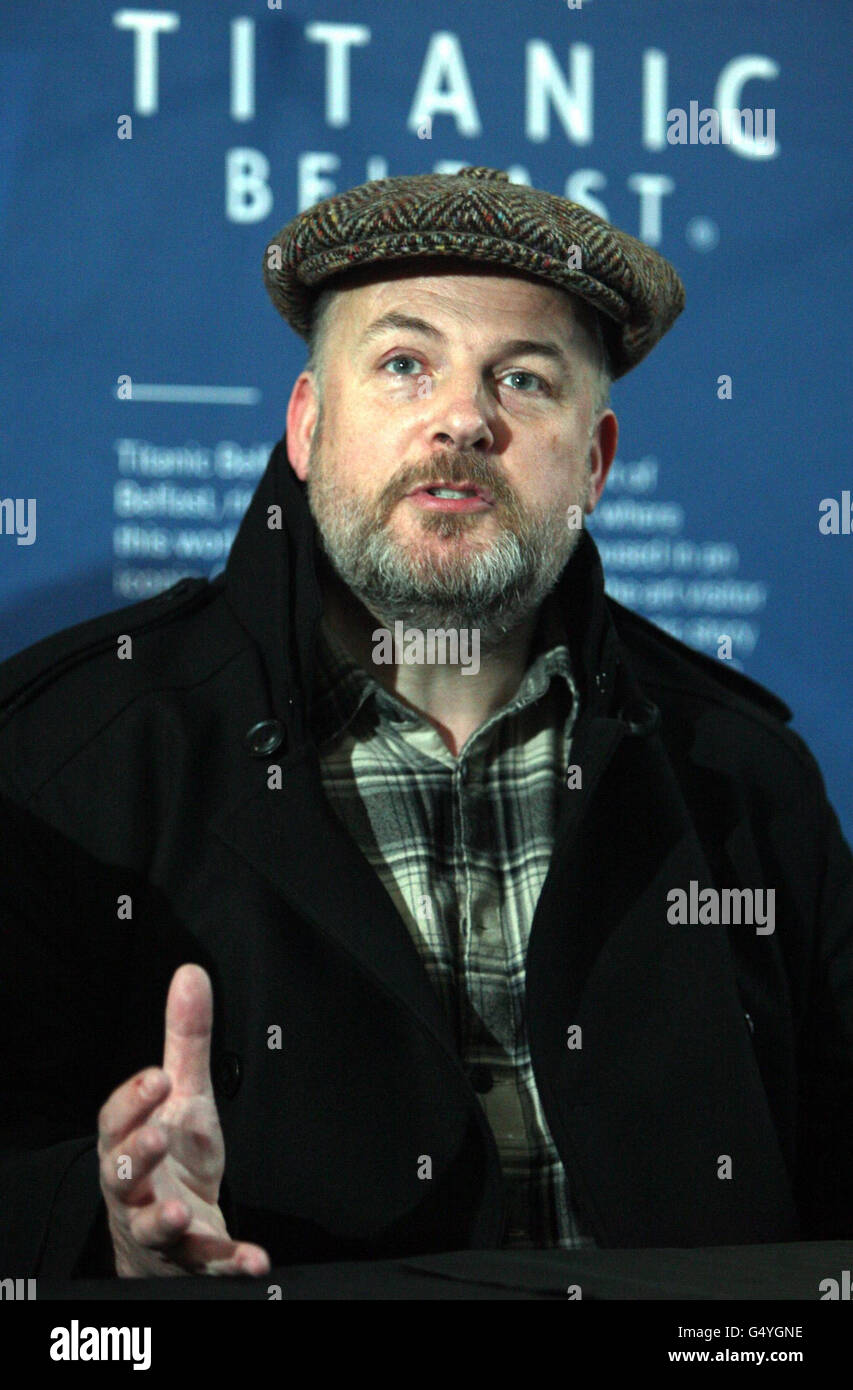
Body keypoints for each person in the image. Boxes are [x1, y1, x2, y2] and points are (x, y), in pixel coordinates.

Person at [1, 167, 850, 1280]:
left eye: (525, 380)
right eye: (405, 364)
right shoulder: (72, 755)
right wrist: (102, 1229)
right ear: (307, 427)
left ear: (591, 463)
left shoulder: (744, 777)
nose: (462, 417)